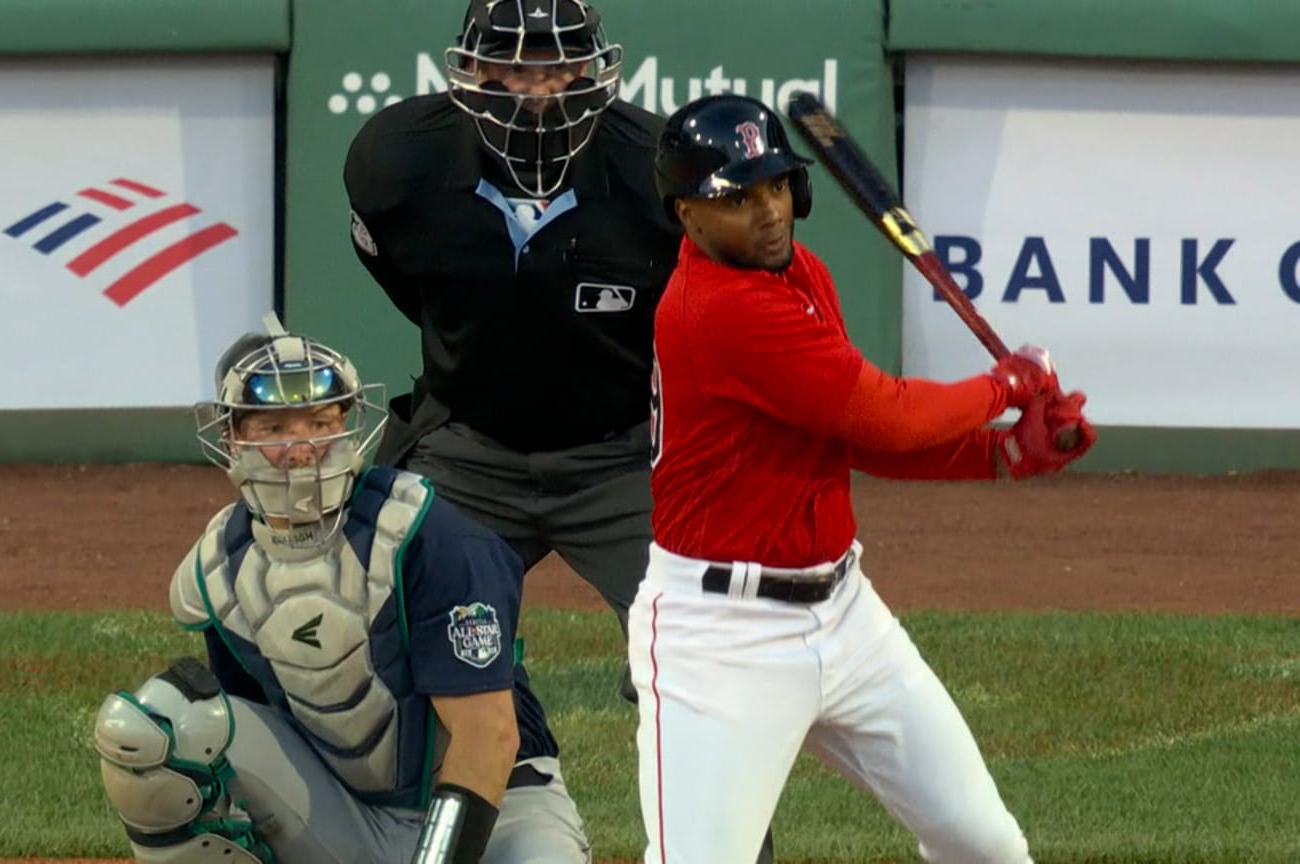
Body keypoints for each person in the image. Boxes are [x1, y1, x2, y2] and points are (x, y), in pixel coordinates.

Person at [629, 94, 1098, 864]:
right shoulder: (719, 309)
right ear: (687, 214)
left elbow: (859, 437)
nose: (769, 210)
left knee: (984, 844)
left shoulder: (802, 273)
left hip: (846, 616)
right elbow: (892, 416)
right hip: (718, 642)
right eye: (739, 198)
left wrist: (1000, 455)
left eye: (776, 186)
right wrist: (1008, 388)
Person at [91, 314, 591, 864]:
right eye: (274, 428)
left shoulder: (425, 535)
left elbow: (489, 738)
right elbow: (252, 733)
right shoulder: (218, 570)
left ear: (347, 422)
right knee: (159, 725)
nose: (301, 447)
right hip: (352, 812)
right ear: (232, 436)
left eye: (318, 421)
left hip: (500, 808)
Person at [343, 0, 682, 705]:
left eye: (557, 67)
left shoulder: (656, 171)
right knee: (377, 649)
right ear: (470, 69)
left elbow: (694, 324)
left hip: (621, 461)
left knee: (696, 658)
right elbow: (409, 284)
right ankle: (436, 810)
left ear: (593, 68)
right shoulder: (397, 163)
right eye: (512, 66)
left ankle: (726, 822)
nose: (537, 89)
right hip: (469, 452)